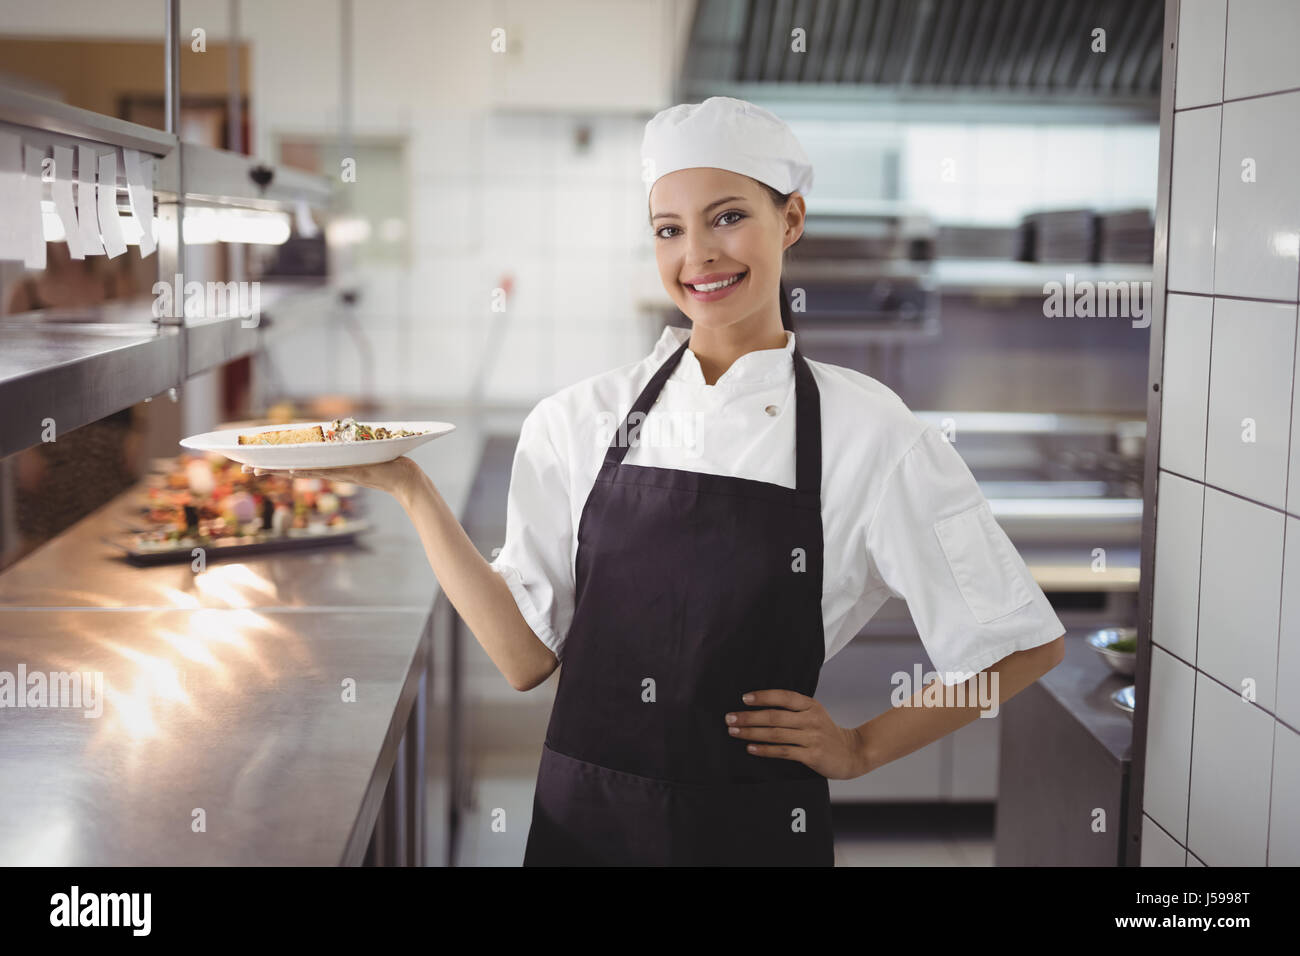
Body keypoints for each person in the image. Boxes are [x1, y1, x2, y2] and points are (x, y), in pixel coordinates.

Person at [255, 96, 1066, 867]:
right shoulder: (577, 420)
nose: (698, 256)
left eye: (729, 217)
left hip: (755, 835)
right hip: (585, 830)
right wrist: (410, 489)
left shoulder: (871, 431)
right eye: (668, 229)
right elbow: (524, 656)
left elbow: (1021, 641)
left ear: (791, 219)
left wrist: (860, 747)